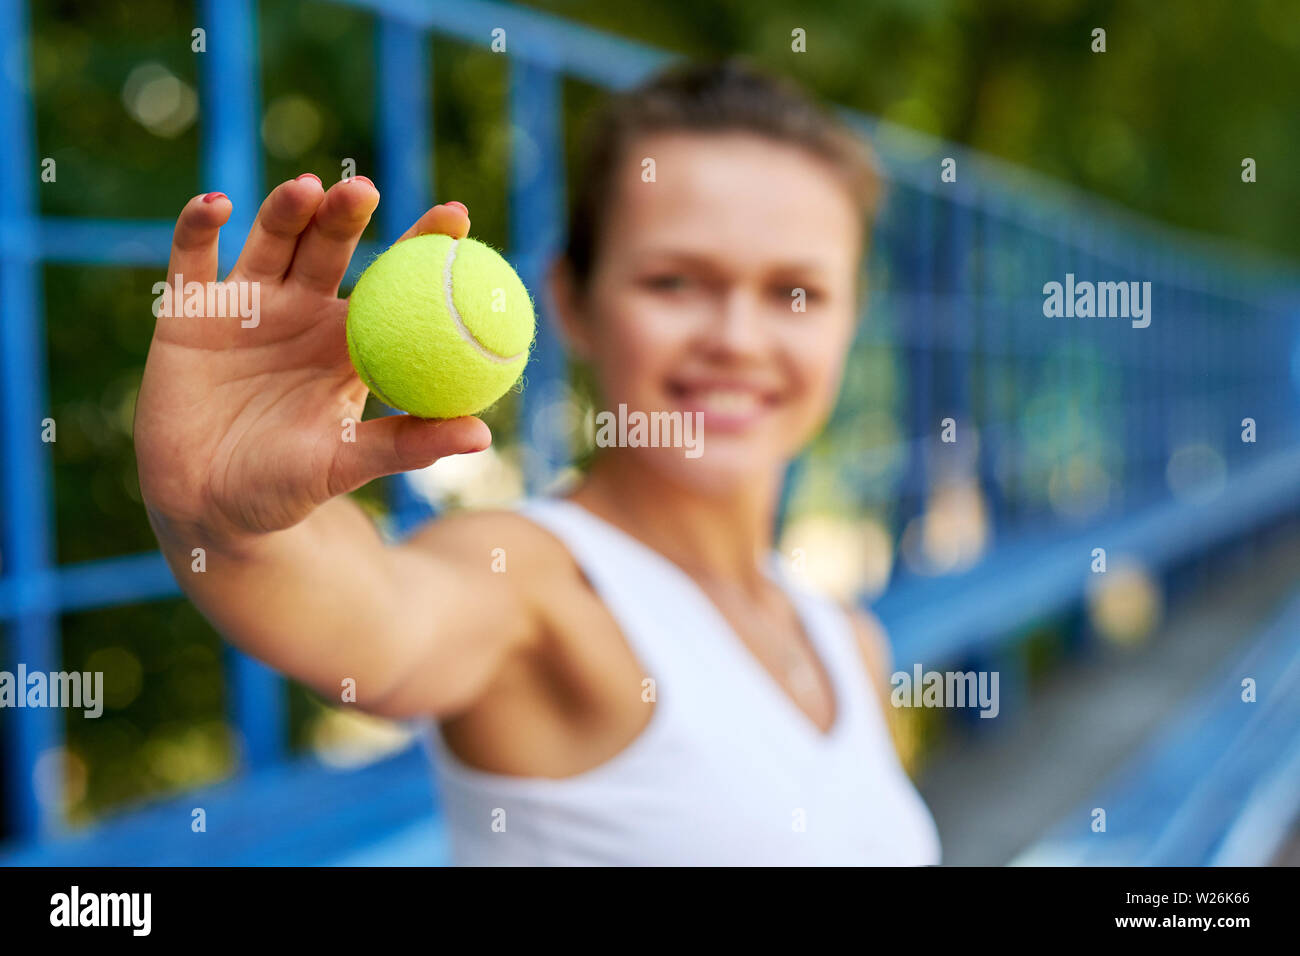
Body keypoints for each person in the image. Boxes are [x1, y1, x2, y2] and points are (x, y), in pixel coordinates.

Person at [134, 58, 941, 865]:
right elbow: (380, 610)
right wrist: (226, 526)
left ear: (849, 318)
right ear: (569, 301)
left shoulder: (849, 642)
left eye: (794, 293)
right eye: (673, 281)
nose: (736, 337)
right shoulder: (526, 583)